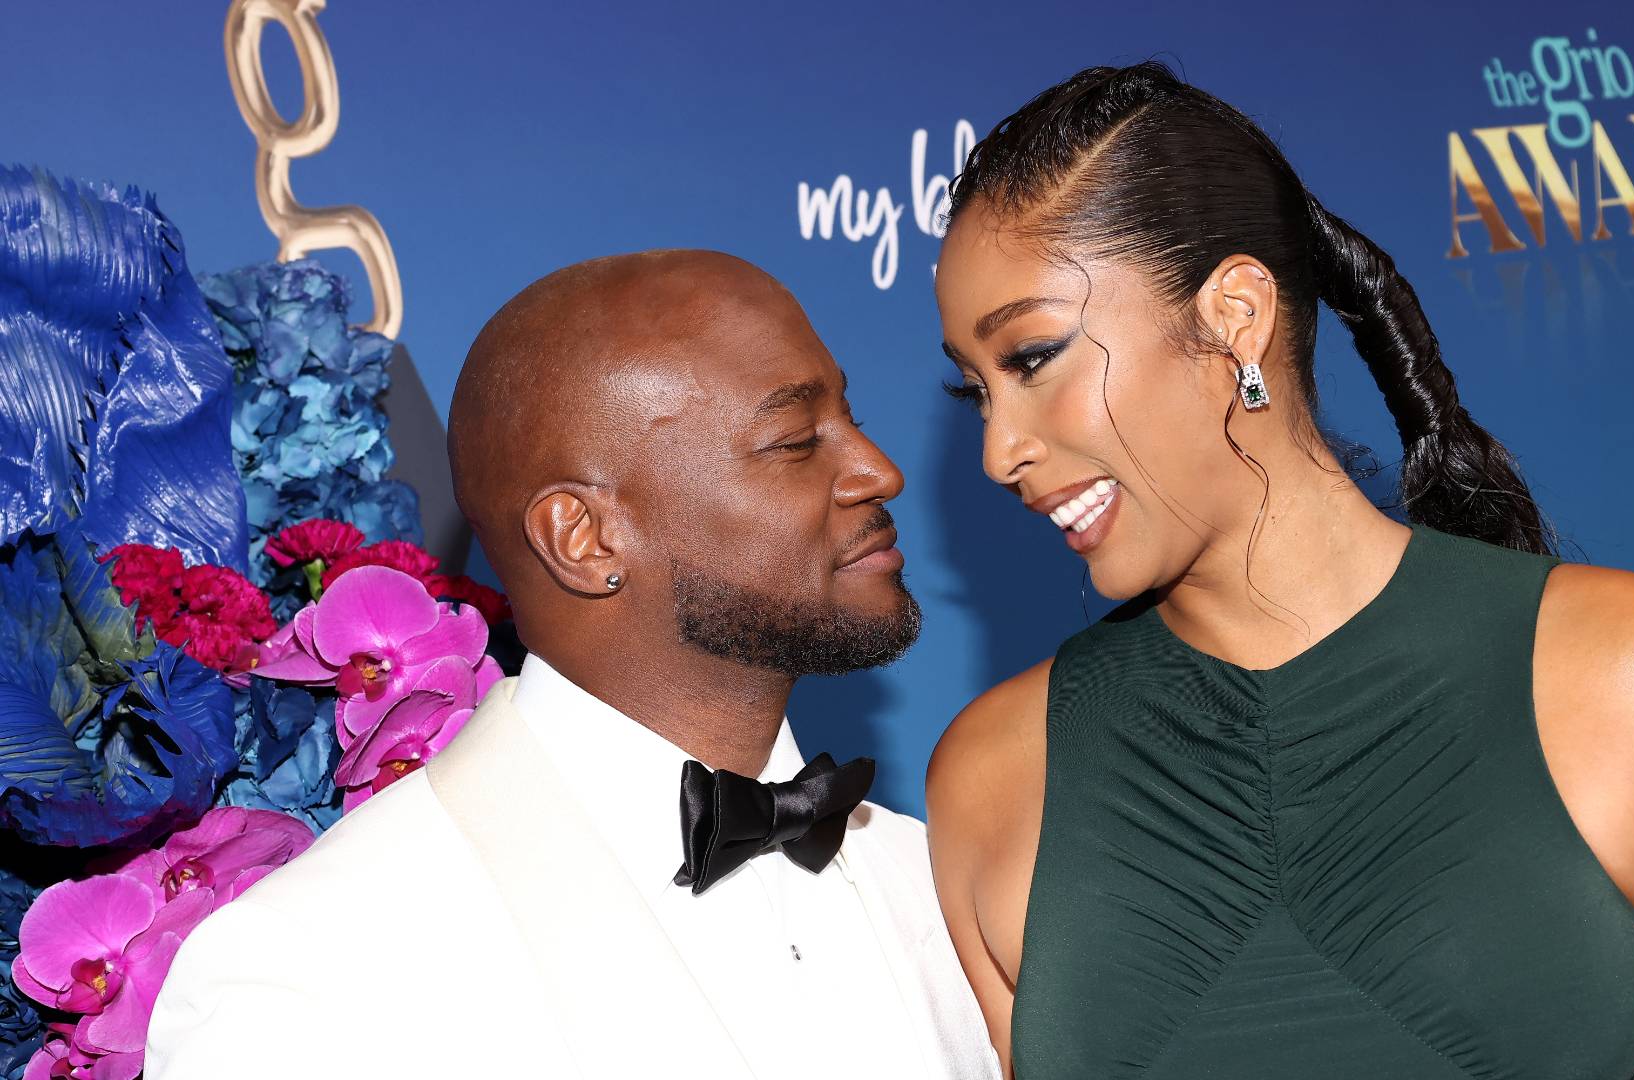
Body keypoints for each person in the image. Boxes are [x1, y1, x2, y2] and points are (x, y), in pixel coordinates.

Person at [924, 63, 1634, 1080]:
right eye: (975, 393)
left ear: (1234, 317)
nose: (1000, 452)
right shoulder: (997, 776)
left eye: (1030, 359)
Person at [146, 250, 999, 1079]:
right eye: (793, 440)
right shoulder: (308, 974)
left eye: (848, 417)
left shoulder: (948, 889)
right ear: (583, 540)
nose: (877, 470)